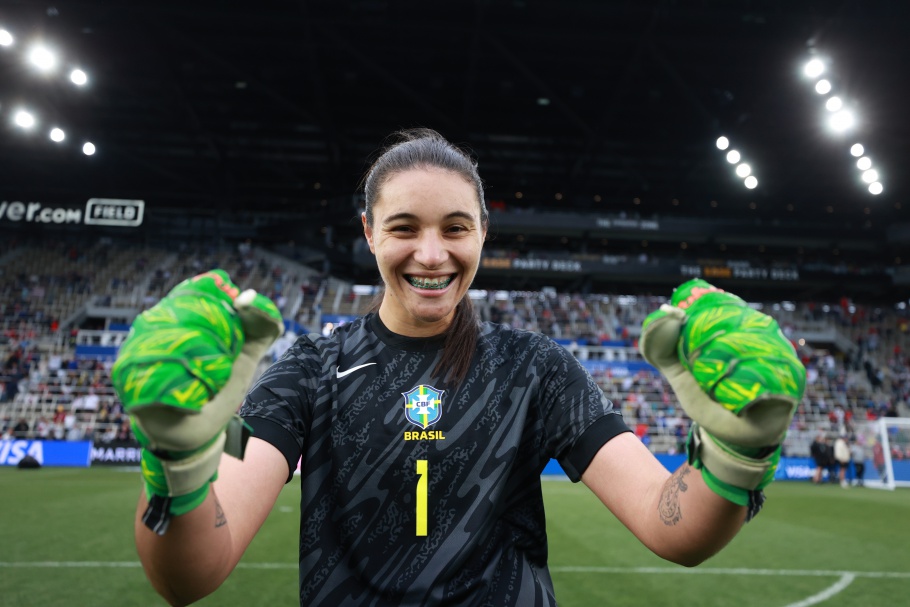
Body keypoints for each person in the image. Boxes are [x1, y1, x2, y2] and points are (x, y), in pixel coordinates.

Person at [113, 129, 803, 607]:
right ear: (368, 233)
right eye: (405, 227)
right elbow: (190, 578)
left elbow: (670, 526)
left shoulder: (536, 368)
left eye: (455, 227)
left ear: (482, 231)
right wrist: (179, 464)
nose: (432, 253)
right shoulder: (311, 367)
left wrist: (734, 454)